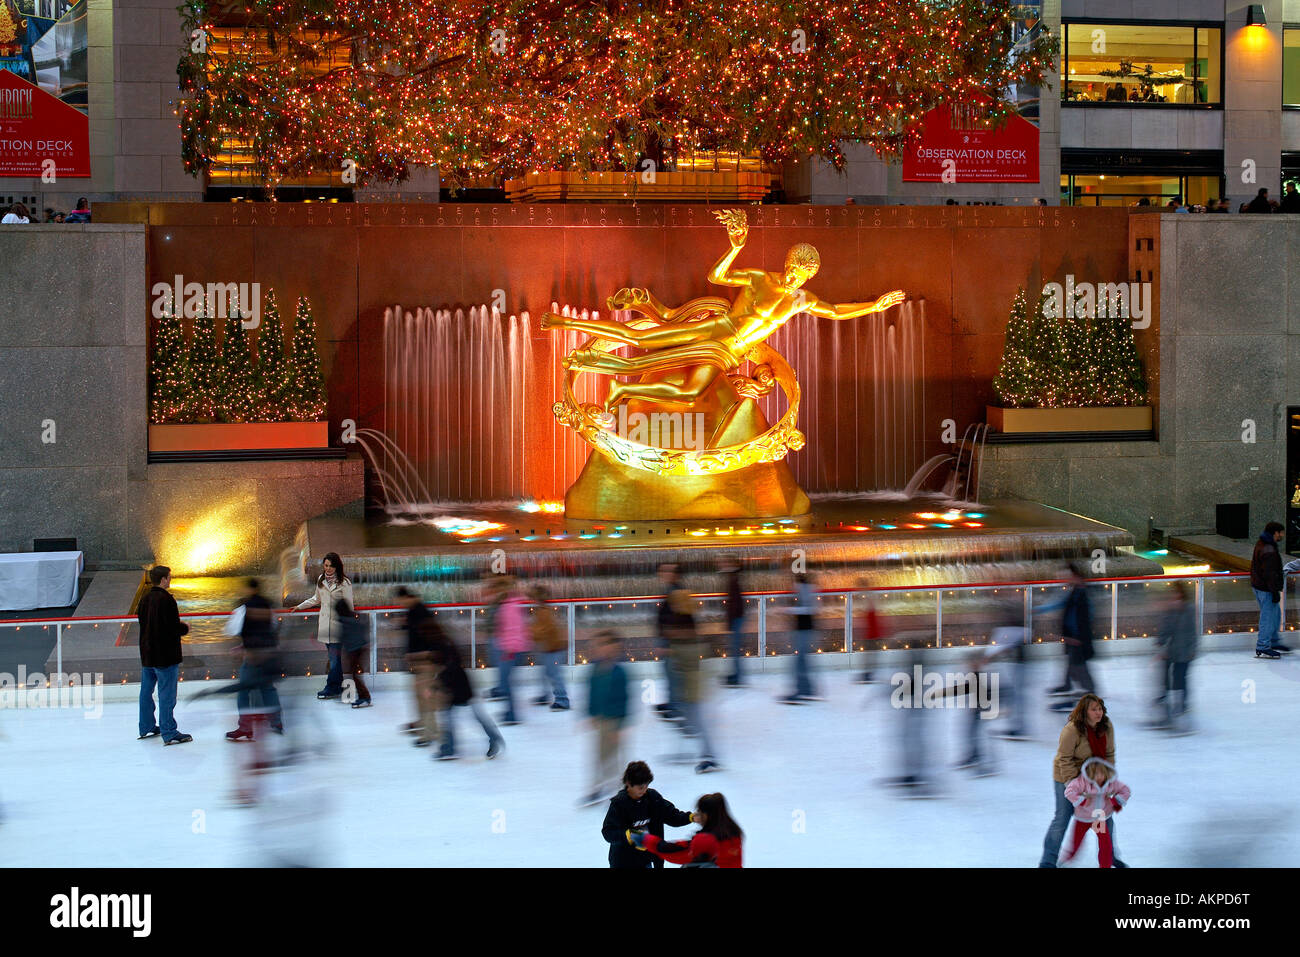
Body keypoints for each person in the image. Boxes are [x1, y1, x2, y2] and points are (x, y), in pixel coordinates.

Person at [1039, 693, 1125, 867]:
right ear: (1084, 712)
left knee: (1105, 817)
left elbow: (1109, 754)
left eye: (1100, 708)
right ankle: (1048, 861)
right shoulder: (1072, 730)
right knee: (1063, 817)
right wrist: (1076, 785)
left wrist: (1107, 779)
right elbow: (1064, 759)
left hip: (1096, 777)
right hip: (1067, 777)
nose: (1098, 713)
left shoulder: (1106, 727)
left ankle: (1111, 858)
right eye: (1094, 709)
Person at [428, 621, 503, 760]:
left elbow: (448, 667)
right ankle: (449, 748)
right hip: (454, 685)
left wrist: (436, 686)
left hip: (460, 686)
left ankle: (494, 738)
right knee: (450, 716)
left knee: (473, 715)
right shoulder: (441, 644)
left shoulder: (443, 645)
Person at [666, 586, 721, 773]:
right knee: (690, 715)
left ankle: (709, 755)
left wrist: (673, 648)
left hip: (690, 676)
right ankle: (704, 753)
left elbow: (688, 644)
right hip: (688, 674)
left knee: (696, 717)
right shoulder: (686, 619)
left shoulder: (684, 620)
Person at [136, 565, 193, 745]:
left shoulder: (144, 599)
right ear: (163, 579)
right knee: (167, 694)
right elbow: (170, 627)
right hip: (165, 655)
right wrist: (185, 628)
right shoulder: (167, 600)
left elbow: (144, 624)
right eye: (169, 577)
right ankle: (168, 731)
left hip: (148, 654)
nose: (170, 580)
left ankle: (146, 726)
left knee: (146, 691)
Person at [600, 761, 694, 869]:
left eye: (646, 786)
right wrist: (627, 835)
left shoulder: (653, 799)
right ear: (628, 783)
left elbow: (672, 816)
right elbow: (608, 832)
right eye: (640, 787)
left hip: (646, 860)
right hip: (623, 862)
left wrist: (690, 817)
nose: (644, 791)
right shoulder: (619, 804)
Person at [226, 578, 283, 741]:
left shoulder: (243, 608)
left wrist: (243, 645)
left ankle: (245, 727)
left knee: (244, 690)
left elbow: (232, 629)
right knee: (268, 688)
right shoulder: (268, 605)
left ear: (249, 590)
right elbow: (273, 626)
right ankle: (276, 722)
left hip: (252, 656)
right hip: (269, 653)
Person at [293, 552, 353, 699]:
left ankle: (331, 687)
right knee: (334, 659)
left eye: (331, 566)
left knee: (334, 659)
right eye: (326, 565)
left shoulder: (344, 583)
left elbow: (349, 606)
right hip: (325, 625)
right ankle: (337, 687)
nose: (328, 568)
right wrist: (300, 607)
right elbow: (316, 599)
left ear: (337, 566)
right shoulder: (321, 579)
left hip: (338, 627)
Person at [631, 792, 744, 867]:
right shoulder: (733, 833)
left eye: (699, 812)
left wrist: (644, 839)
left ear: (707, 815)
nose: (697, 814)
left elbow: (675, 851)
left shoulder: (708, 840)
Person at [582, 630, 630, 806]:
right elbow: (591, 694)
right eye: (597, 645)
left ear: (614, 648)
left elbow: (624, 699)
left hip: (615, 721)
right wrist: (591, 714)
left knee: (615, 756)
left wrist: (620, 726)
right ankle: (598, 786)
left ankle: (624, 790)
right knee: (600, 755)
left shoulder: (619, 672)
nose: (598, 649)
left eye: (603, 645)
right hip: (601, 720)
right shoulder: (594, 670)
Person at [1060, 758, 1131, 868]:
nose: (1099, 777)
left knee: (1105, 844)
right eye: (1096, 774)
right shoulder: (1082, 782)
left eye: (1102, 773)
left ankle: (1105, 865)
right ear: (1090, 774)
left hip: (1099, 819)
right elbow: (1069, 791)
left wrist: (1115, 800)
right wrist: (1082, 800)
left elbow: (1125, 790)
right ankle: (1064, 862)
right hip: (1083, 818)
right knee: (1075, 844)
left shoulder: (1111, 783)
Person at [1048, 567, 1098, 709]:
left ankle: (1089, 700)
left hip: (1078, 639)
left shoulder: (1082, 594)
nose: (1067, 579)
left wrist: (1077, 637)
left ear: (1077, 577)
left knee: (1080, 670)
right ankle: (1071, 690)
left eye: (1070, 576)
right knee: (1073, 666)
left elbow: (1084, 618)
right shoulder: (1075, 592)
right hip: (1073, 637)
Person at [396, 586, 439, 746]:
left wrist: (420, 655)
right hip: (418, 662)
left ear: (406, 598)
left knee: (425, 697)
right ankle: (423, 724)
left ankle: (429, 732)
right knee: (419, 696)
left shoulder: (421, 612)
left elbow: (429, 638)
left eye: (400, 601)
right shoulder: (413, 611)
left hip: (426, 662)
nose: (400, 604)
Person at [1152, 581, 1196, 730]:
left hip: (1184, 651)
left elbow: (1192, 631)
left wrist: (1192, 649)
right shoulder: (1171, 609)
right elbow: (1166, 627)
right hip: (1171, 651)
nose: (1175, 595)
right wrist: (1160, 642)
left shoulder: (1189, 609)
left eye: (1177, 592)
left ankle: (1182, 703)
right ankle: (1165, 697)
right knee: (1166, 676)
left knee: (1181, 677)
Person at [494, 577, 531, 724]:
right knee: (507, 682)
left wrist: (509, 650)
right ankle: (510, 712)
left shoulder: (510, 606)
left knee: (507, 682)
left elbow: (514, 629)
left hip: (511, 650)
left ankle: (511, 715)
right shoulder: (513, 604)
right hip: (512, 648)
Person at [781, 571, 821, 704]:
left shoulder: (805, 590)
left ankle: (802, 690)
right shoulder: (806, 590)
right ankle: (807, 689)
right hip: (804, 630)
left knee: (800, 661)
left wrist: (791, 610)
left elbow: (809, 609)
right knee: (803, 661)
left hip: (805, 630)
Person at [528, 583, 569, 710]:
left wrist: (531, 634)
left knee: (554, 674)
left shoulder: (543, 611)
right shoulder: (543, 609)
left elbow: (544, 629)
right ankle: (545, 695)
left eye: (532, 596)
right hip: (548, 647)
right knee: (546, 672)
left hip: (553, 648)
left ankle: (563, 700)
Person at [1251, 521, 1289, 658]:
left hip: (1261, 586)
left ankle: (1273, 641)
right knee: (1267, 617)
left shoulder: (1264, 544)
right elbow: (1270, 573)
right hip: (1266, 589)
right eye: (1281, 532)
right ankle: (1263, 645)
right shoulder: (1268, 549)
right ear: (1275, 533)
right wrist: (1274, 592)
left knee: (1274, 615)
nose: (1283, 535)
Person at [654, 563, 685, 723]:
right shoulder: (672, 589)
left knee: (673, 675)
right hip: (668, 640)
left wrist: (670, 642)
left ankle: (676, 706)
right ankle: (672, 702)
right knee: (670, 674)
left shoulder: (677, 591)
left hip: (672, 642)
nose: (664, 574)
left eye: (668, 571)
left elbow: (679, 619)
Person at [335, 598, 371, 708]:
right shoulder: (355, 617)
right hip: (361, 648)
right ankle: (363, 696)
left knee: (354, 674)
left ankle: (365, 697)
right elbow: (363, 626)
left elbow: (342, 637)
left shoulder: (344, 621)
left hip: (354, 651)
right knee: (355, 674)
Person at [854, 587, 890, 684]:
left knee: (870, 655)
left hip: (872, 636)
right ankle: (868, 673)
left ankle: (868, 673)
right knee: (870, 655)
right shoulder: (871, 612)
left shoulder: (871, 612)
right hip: (871, 636)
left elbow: (874, 623)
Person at [720, 557, 746, 687]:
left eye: (726, 562)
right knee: (735, 648)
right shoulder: (734, 577)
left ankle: (737, 677)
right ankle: (735, 674)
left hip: (736, 618)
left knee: (735, 648)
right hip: (737, 618)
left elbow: (735, 603)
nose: (723, 565)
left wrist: (731, 620)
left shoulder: (734, 579)